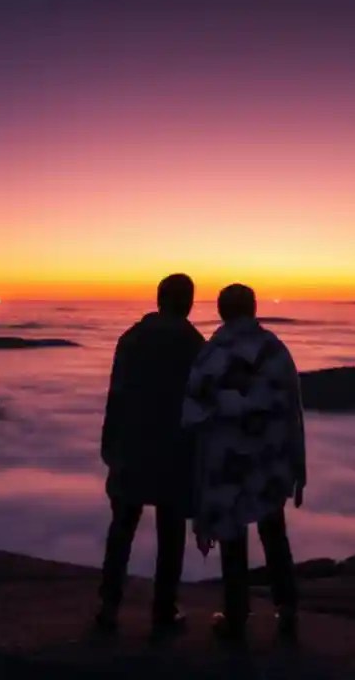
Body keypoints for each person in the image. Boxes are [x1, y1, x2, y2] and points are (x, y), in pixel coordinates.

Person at [182, 283, 305, 642]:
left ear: (221, 311)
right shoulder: (274, 350)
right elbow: (290, 408)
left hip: (226, 463)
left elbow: (192, 412)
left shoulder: (212, 353)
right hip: (268, 460)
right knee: (273, 531)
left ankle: (236, 614)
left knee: (232, 534)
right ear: (253, 309)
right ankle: (287, 607)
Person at [96, 273, 206, 634]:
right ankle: (163, 609)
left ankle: (109, 606)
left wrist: (109, 446)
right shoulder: (194, 344)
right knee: (171, 533)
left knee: (122, 527)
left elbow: (116, 396)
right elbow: (201, 404)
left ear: (159, 299)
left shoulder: (131, 339)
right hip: (175, 453)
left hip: (131, 447)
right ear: (187, 302)